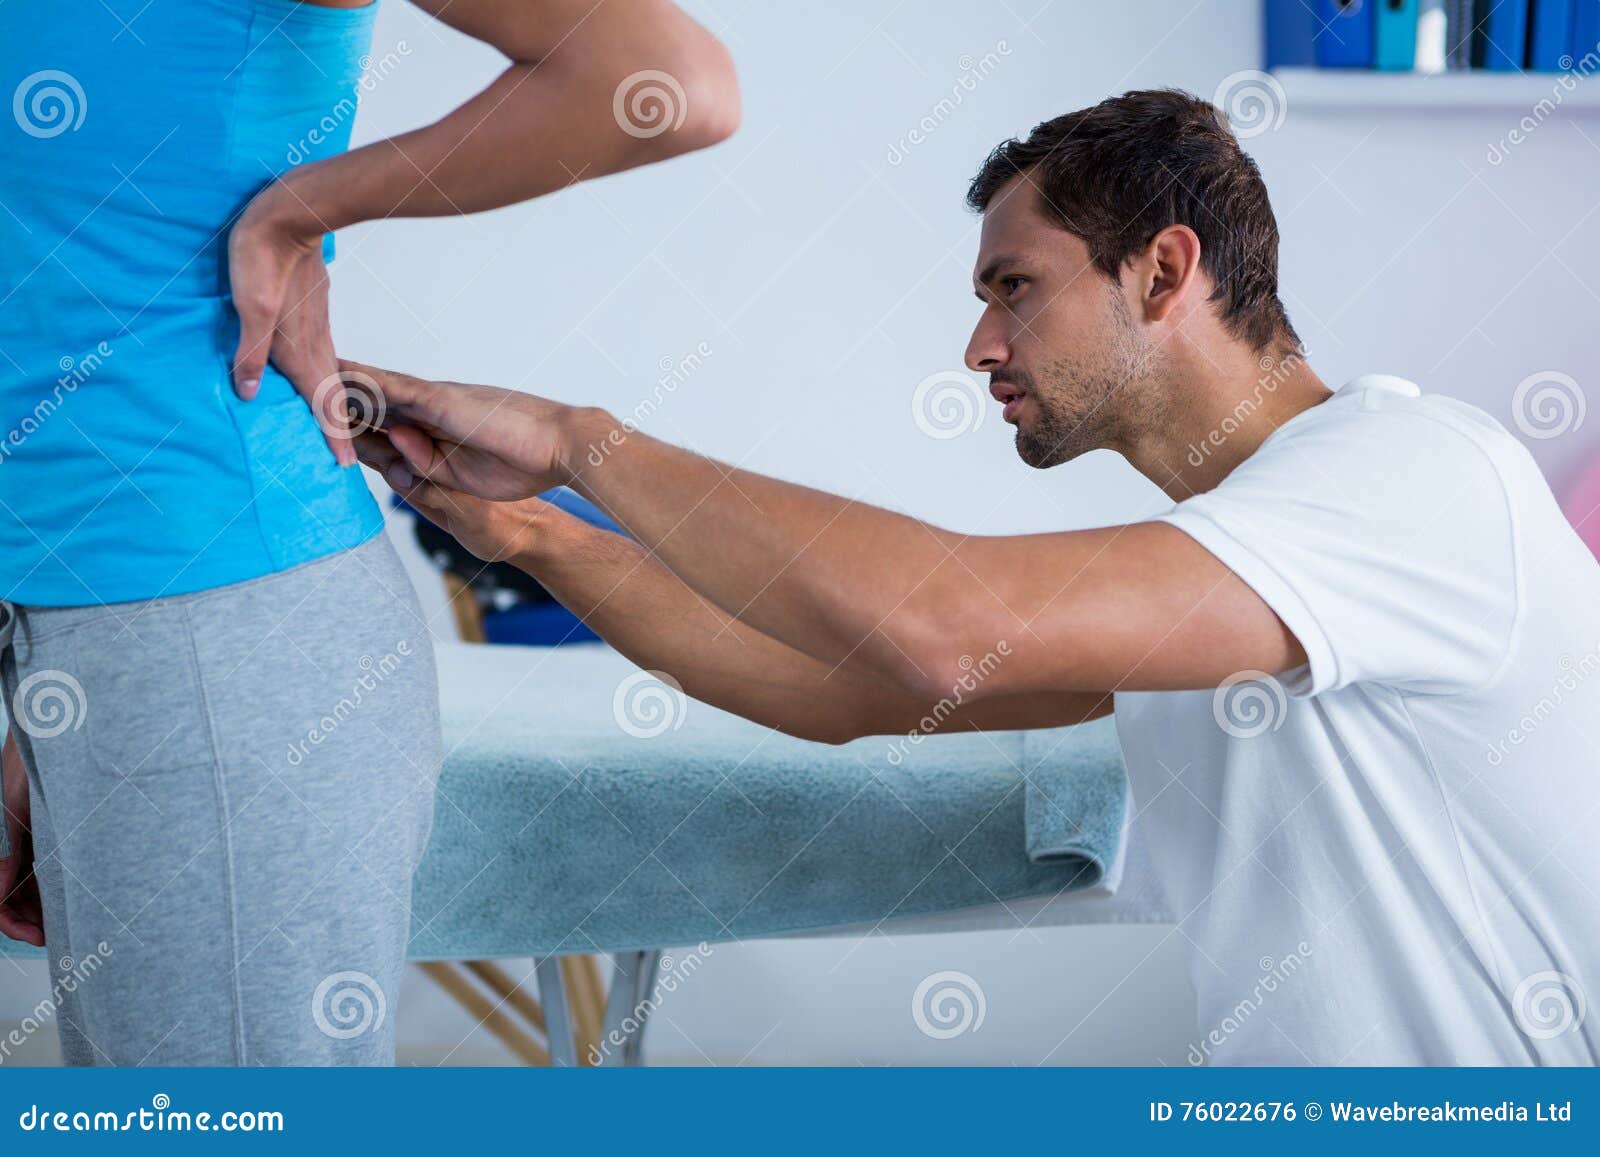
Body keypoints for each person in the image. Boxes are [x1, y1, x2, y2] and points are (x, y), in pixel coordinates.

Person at [348, 89, 1600, 1066]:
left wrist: (582, 444)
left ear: (1164, 273)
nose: (979, 345)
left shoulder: (1409, 474)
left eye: (1017, 288)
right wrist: (535, 540)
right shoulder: (1231, 563)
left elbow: (947, 624)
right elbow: (842, 685)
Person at [0, 0, 737, 1065]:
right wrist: (56, 682)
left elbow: (661, 80)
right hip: (95, 625)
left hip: (226, 628)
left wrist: (298, 211)